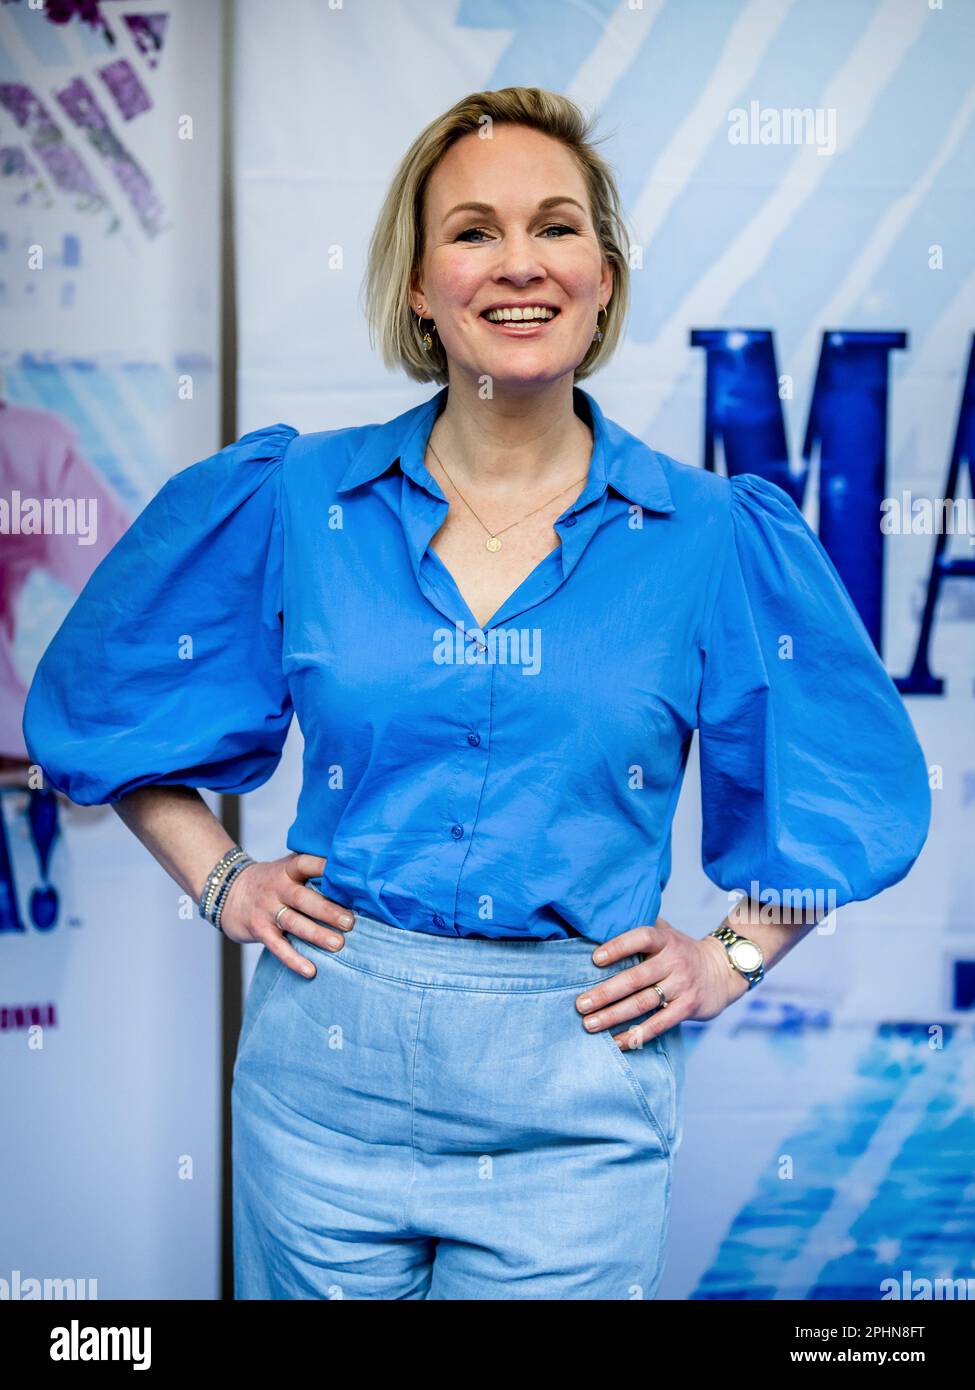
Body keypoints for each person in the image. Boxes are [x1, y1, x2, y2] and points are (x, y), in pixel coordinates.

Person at [22, 86, 931, 1301]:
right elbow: (99, 702)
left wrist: (732, 956)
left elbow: (853, 786)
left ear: (604, 275)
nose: (520, 264)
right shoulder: (298, 497)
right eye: (473, 230)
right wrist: (222, 880)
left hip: (579, 1100)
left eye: (557, 227)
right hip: (320, 1094)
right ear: (416, 283)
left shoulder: (712, 533)